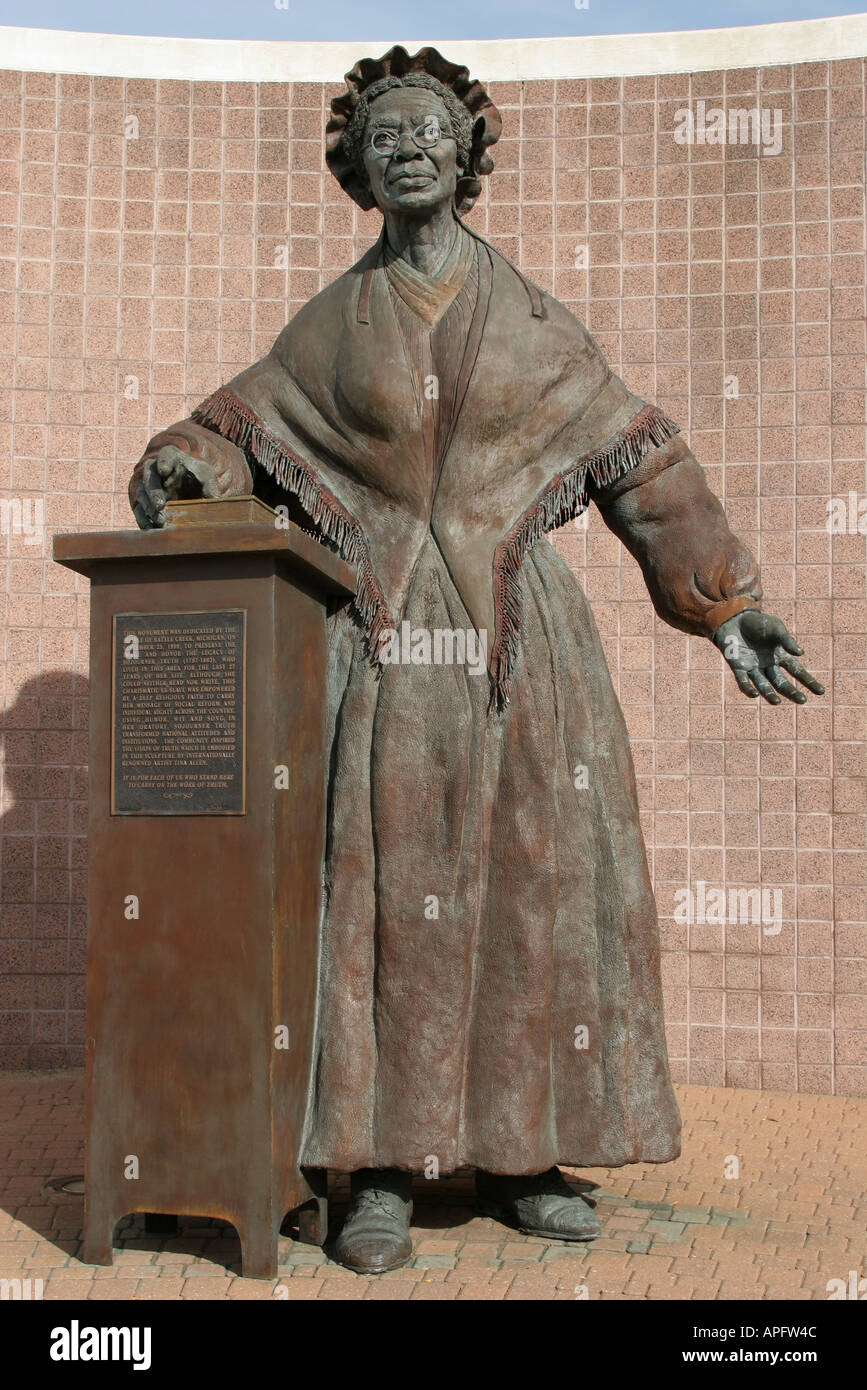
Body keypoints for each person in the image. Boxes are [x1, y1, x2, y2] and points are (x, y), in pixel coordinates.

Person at [129, 46, 823, 1274]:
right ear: (359, 166)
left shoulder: (534, 316)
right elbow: (242, 421)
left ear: (464, 158)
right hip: (384, 651)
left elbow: (636, 462)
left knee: (533, 893)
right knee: (379, 904)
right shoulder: (331, 324)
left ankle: (526, 1154)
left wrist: (726, 607)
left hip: (519, 657)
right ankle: (381, 1168)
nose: (409, 147)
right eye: (385, 133)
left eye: (430, 132)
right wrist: (185, 458)